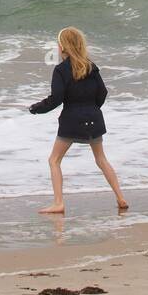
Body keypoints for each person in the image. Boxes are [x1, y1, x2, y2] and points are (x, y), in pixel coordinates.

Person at [29, 26, 128, 215]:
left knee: (54, 160)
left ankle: (59, 203)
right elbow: (103, 93)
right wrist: (92, 109)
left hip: (71, 121)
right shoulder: (91, 66)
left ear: (63, 47)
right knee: (101, 159)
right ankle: (120, 197)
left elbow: (56, 98)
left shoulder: (61, 70)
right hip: (94, 118)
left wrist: (36, 108)